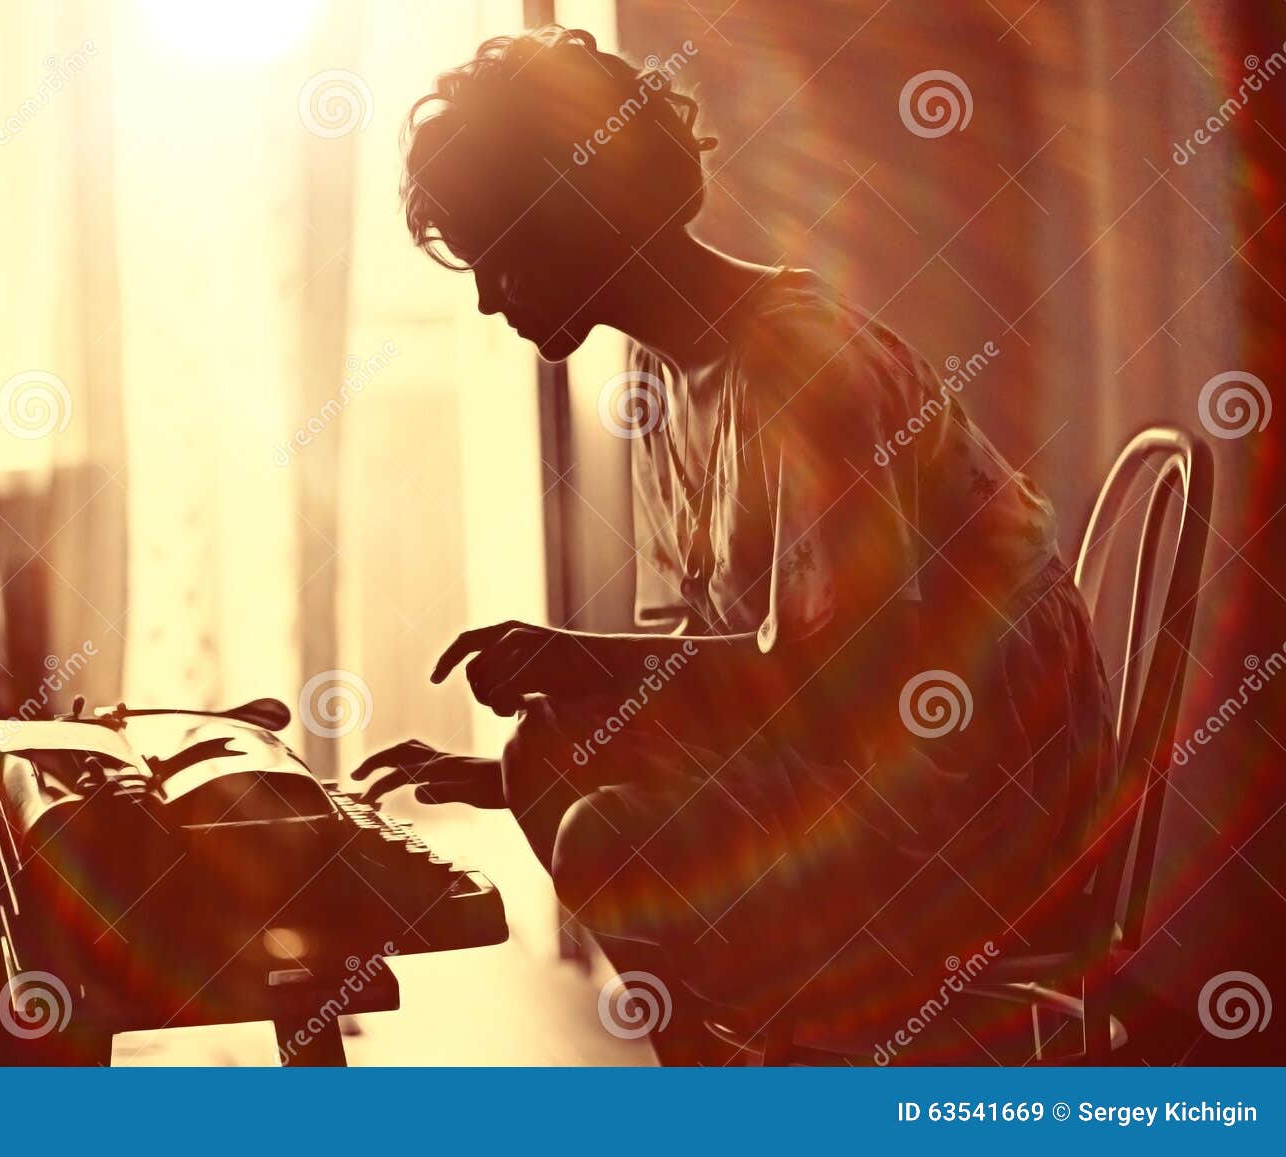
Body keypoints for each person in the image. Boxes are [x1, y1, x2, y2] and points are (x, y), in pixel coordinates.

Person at [352, 26, 1116, 1047]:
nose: (490, 300)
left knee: (606, 826)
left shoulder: (796, 365)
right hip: (881, 771)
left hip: (994, 808)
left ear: (580, 218)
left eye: (502, 256)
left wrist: (587, 660)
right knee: (547, 750)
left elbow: (843, 679)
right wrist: (514, 765)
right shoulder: (672, 386)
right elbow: (745, 674)